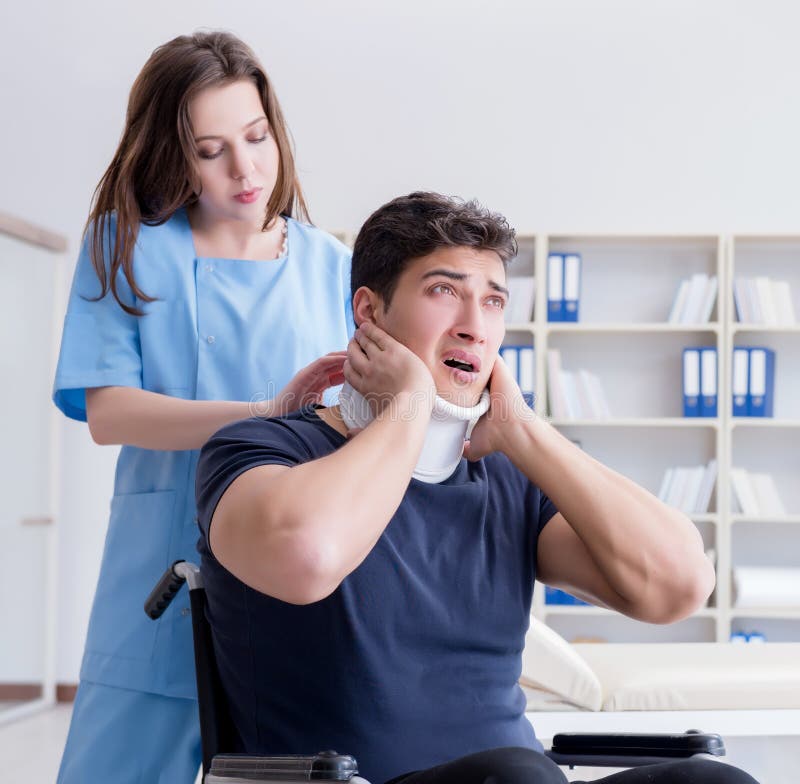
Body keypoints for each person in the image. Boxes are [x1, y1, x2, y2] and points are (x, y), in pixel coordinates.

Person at [195, 192, 758, 784]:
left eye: (493, 302)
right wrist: (409, 406)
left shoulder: (510, 477)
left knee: (714, 781)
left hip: (521, 778)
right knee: (516, 775)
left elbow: (677, 587)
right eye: (444, 291)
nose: (474, 326)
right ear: (368, 311)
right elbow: (306, 559)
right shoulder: (258, 451)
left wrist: (523, 430)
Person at [52, 31, 353, 784]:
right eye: (210, 150)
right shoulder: (124, 246)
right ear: (173, 155)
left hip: (290, 584)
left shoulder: (333, 266)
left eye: (256, 137)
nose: (244, 169)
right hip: (157, 577)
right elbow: (109, 412)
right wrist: (267, 412)